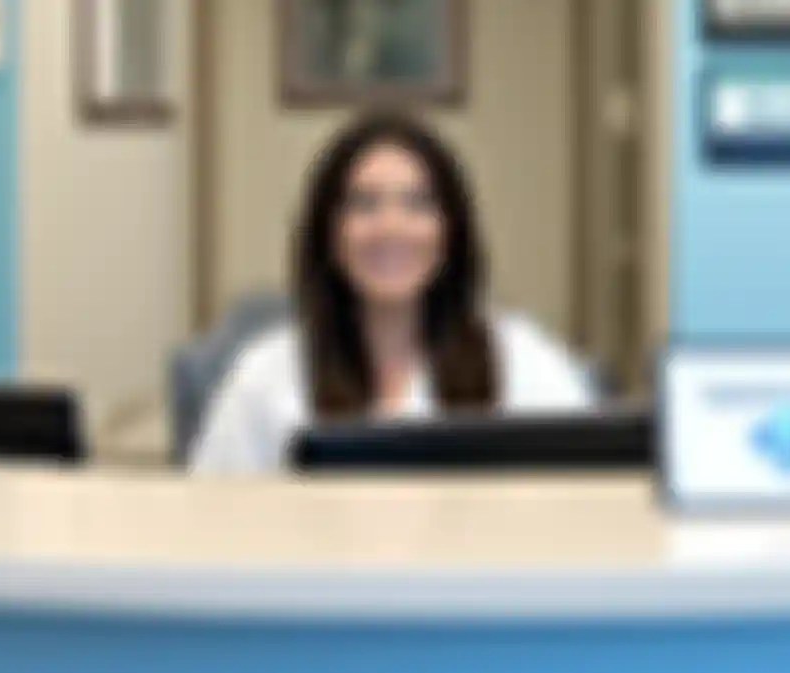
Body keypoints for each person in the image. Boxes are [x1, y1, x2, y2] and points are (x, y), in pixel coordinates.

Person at [191, 113, 594, 474]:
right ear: (328, 232)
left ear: (451, 231)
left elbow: (591, 501)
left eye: (418, 205)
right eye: (364, 205)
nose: (391, 228)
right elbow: (210, 525)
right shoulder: (265, 378)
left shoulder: (521, 360)